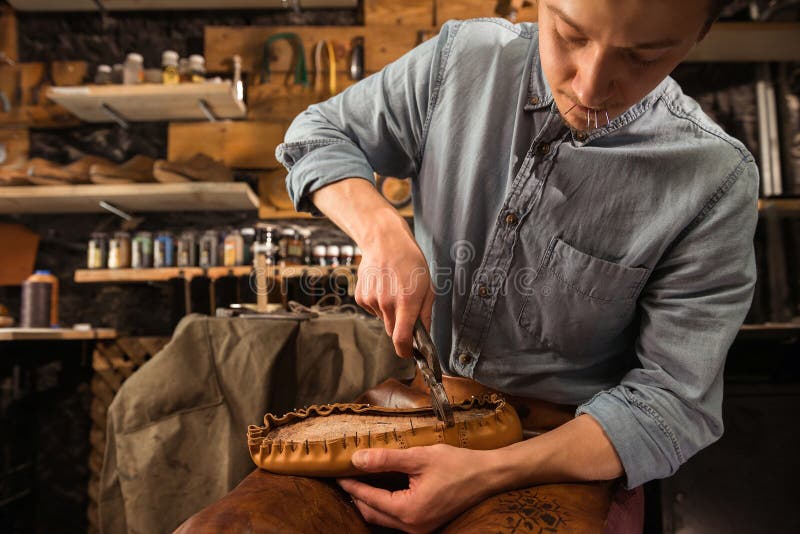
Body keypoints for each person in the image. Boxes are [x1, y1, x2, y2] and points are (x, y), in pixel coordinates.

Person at [272, 0, 755, 531]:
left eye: (644, 57)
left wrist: (484, 473)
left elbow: (671, 406)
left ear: (698, 36)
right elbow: (315, 134)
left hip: (564, 450)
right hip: (427, 407)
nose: (589, 87)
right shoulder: (460, 61)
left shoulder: (714, 180)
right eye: (569, 35)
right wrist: (380, 230)